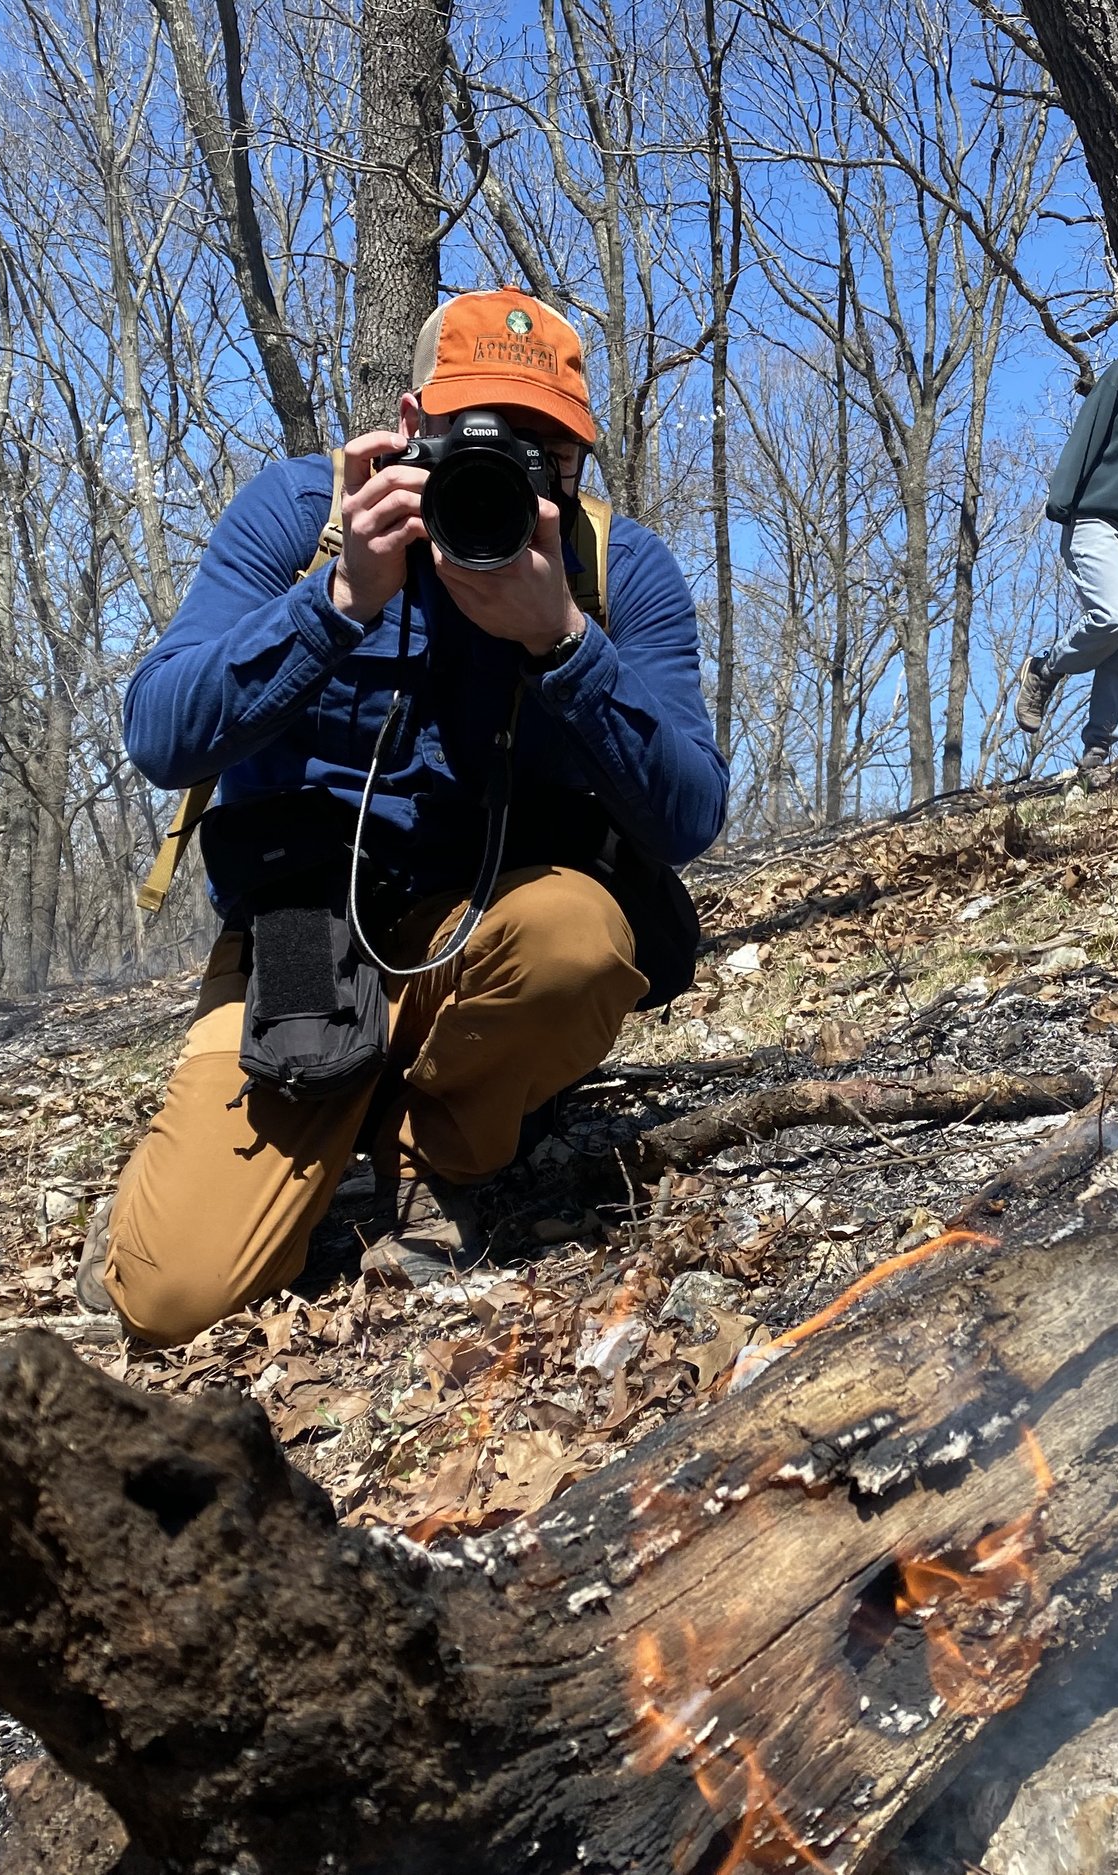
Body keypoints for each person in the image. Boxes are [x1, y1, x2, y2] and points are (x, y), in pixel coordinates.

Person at [89, 288, 727, 1344]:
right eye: (477, 437)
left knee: (576, 935)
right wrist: (338, 602)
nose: (512, 468)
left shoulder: (615, 571)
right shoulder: (301, 520)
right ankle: (303, 1135)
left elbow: (688, 816)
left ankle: (440, 1159)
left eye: (546, 448)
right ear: (408, 423)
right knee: (170, 1299)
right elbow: (160, 732)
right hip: (303, 937)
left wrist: (561, 642)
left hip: (486, 939)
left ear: (579, 463)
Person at [1015, 350, 1118, 767]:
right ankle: (1046, 669)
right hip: (1098, 516)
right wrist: (1062, 496)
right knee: (1114, 618)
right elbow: (1091, 423)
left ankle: (1097, 751)